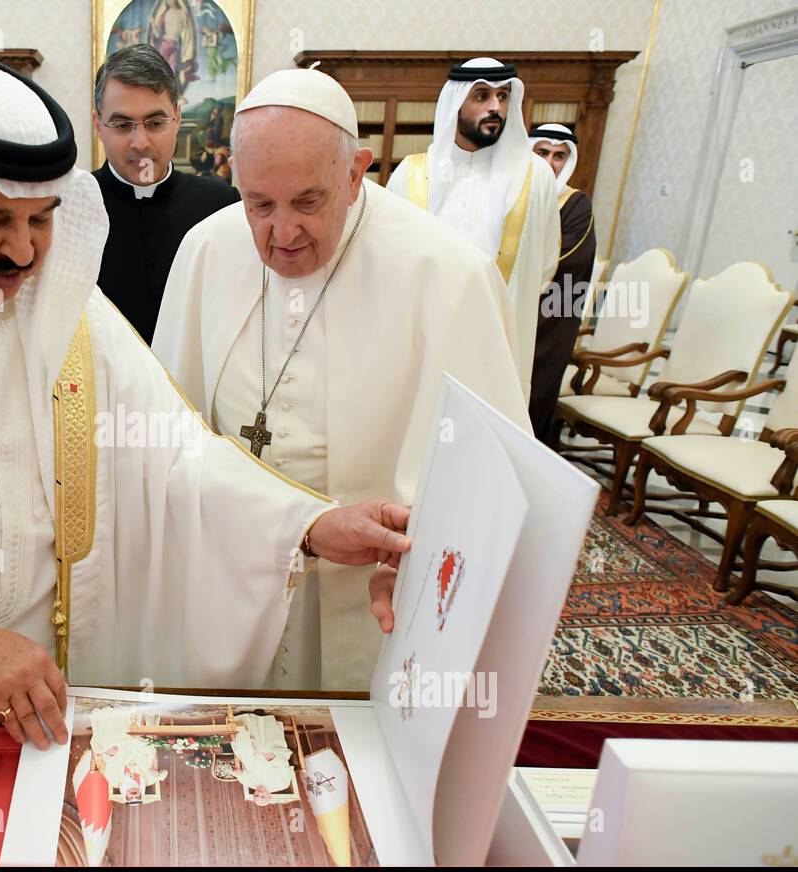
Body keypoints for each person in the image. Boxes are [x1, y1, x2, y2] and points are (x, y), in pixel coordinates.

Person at [0, 49, 411, 743]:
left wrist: (309, 524)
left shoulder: (64, 308)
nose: (23, 253)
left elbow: (175, 455)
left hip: (40, 696)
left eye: (41, 219)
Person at [154, 67, 530, 689]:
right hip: (234, 573)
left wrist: (428, 560)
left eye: (308, 201)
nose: (282, 233)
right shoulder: (206, 251)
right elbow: (166, 439)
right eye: (259, 204)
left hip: (370, 595)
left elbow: (490, 477)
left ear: (356, 172)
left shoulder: (447, 274)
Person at [386, 58, 560, 396]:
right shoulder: (412, 174)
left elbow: (545, 265)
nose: (496, 107)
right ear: (456, 102)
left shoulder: (534, 177)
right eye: (481, 96)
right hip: (425, 339)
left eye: (503, 96)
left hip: (496, 341)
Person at [92, 44, 239, 341]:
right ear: (98, 125)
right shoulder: (68, 207)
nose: (140, 142)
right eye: (122, 125)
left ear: (178, 119)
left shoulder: (222, 206)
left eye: (155, 123)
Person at [528, 123, 597, 442]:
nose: (549, 161)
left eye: (559, 156)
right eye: (542, 152)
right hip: (508, 303)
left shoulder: (575, 203)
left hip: (551, 316)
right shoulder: (516, 195)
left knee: (534, 393)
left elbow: (569, 256)